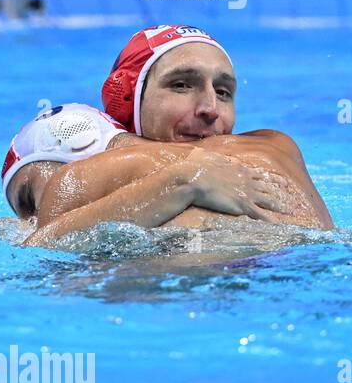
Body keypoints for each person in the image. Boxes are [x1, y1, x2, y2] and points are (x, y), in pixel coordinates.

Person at [22, 26, 333, 245]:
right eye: (182, 85)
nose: (210, 108)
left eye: (223, 92)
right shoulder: (279, 147)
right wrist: (185, 180)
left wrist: (184, 181)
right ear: (127, 101)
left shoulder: (89, 177)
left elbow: (44, 250)